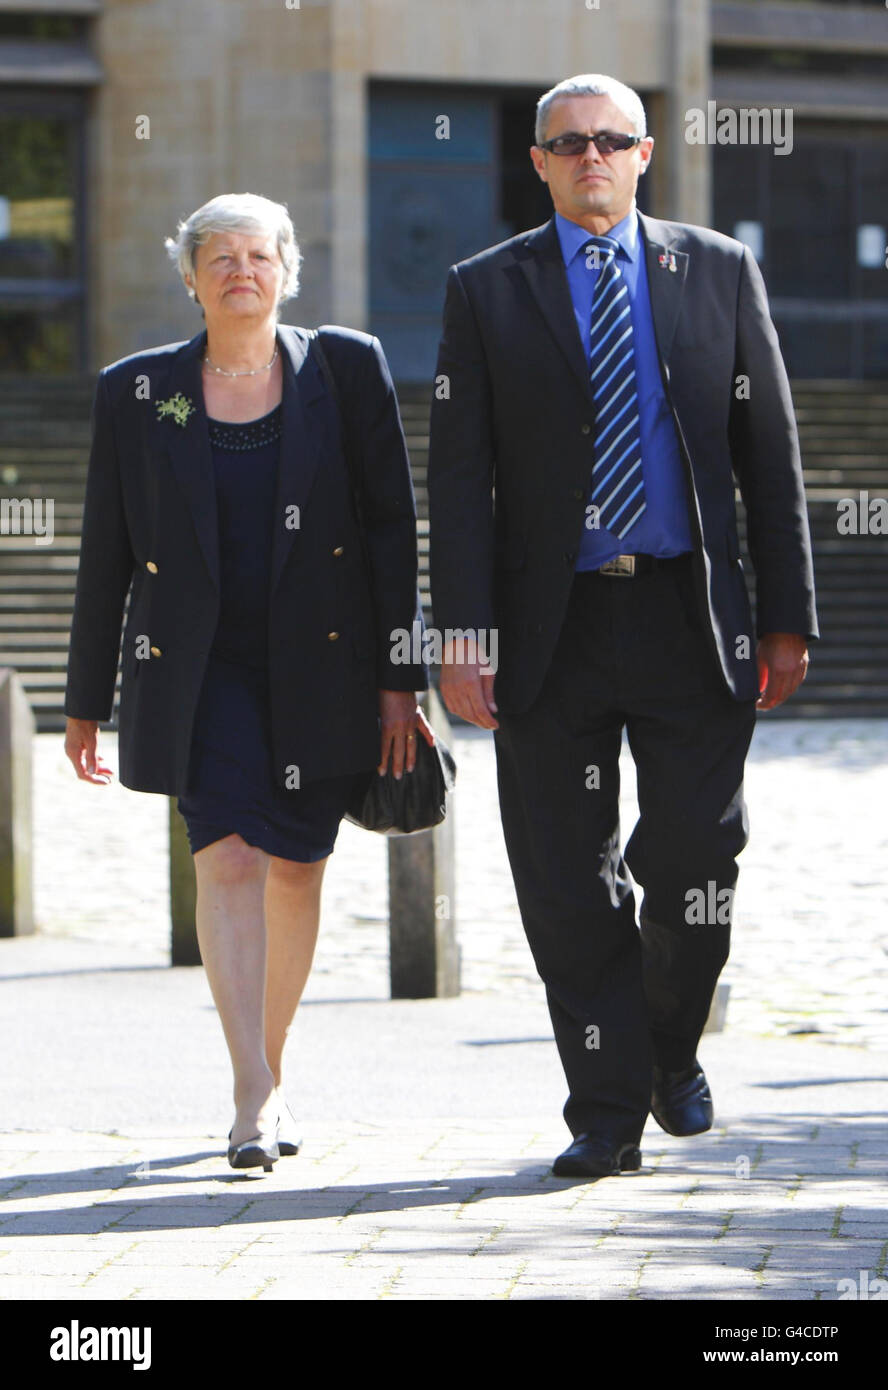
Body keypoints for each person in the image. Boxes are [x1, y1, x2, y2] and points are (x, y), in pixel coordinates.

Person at [428, 75, 818, 1178]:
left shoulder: (720, 271)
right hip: (546, 626)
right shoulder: (485, 288)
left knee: (698, 852)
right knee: (564, 875)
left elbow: (769, 455)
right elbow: (459, 478)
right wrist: (461, 634)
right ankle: (604, 1110)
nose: (591, 156)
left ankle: (669, 1047)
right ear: (540, 163)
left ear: (646, 154)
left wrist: (786, 616)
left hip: (689, 614)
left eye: (611, 139)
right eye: (569, 143)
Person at [64, 193, 431, 1172]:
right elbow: (107, 548)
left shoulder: (347, 370)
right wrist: (85, 699)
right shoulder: (140, 390)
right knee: (226, 854)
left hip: (325, 661)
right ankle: (250, 1093)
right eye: (219, 257)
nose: (240, 271)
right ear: (190, 277)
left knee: (297, 866)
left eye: (258, 255)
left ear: (287, 271)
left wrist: (401, 678)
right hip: (200, 670)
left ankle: (273, 1062)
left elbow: (392, 531)